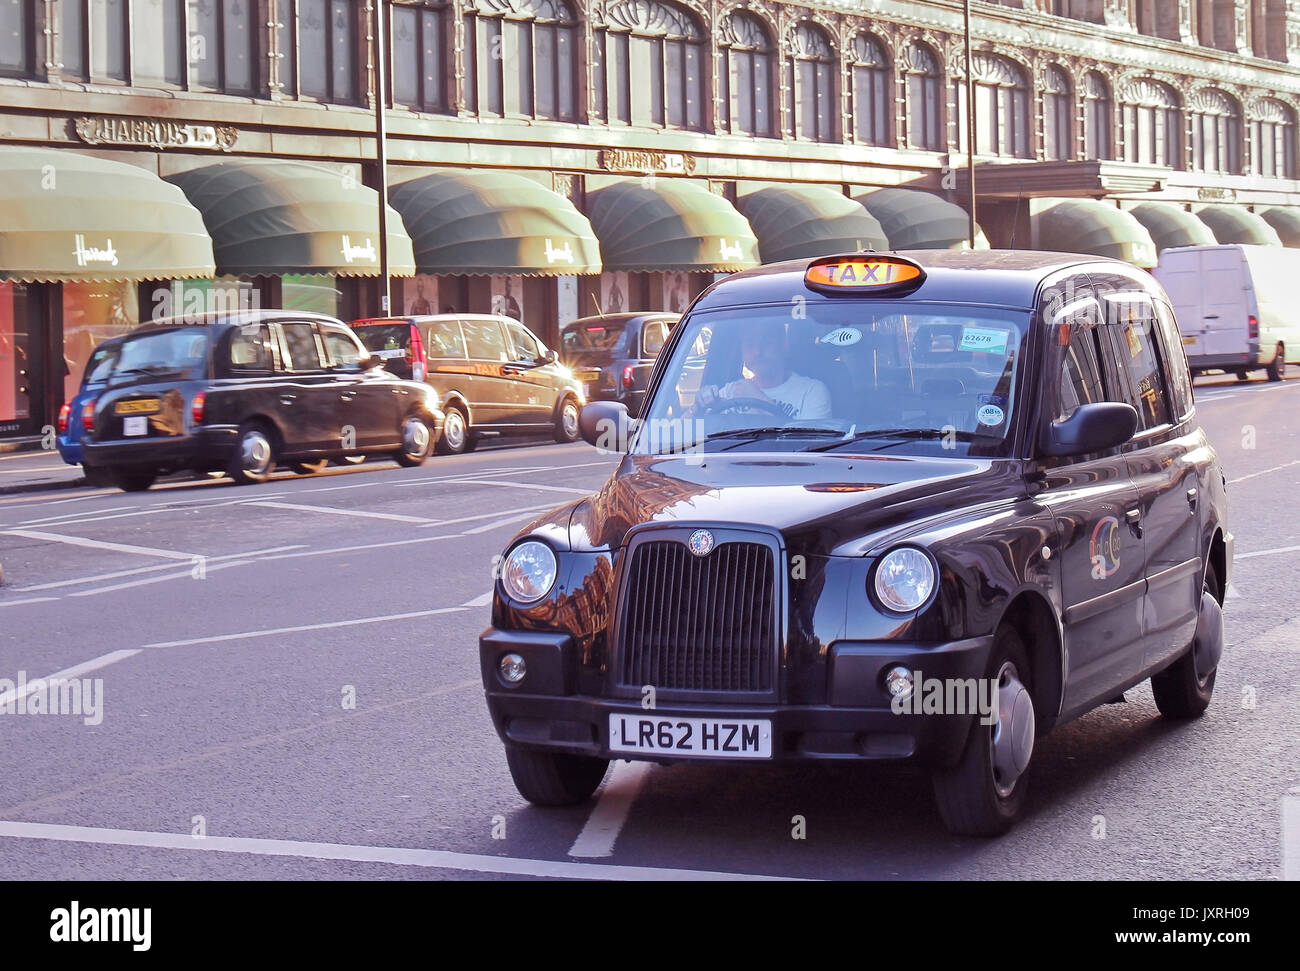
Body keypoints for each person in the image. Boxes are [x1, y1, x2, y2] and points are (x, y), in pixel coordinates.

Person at [696, 322, 832, 420]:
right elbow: (690, 436)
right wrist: (699, 405)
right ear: (742, 352)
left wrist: (757, 398)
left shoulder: (811, 392)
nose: (757, 352)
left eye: (766, 343)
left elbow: (808, 446)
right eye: (750, 345)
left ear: (784, 345)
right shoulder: (730, 391)